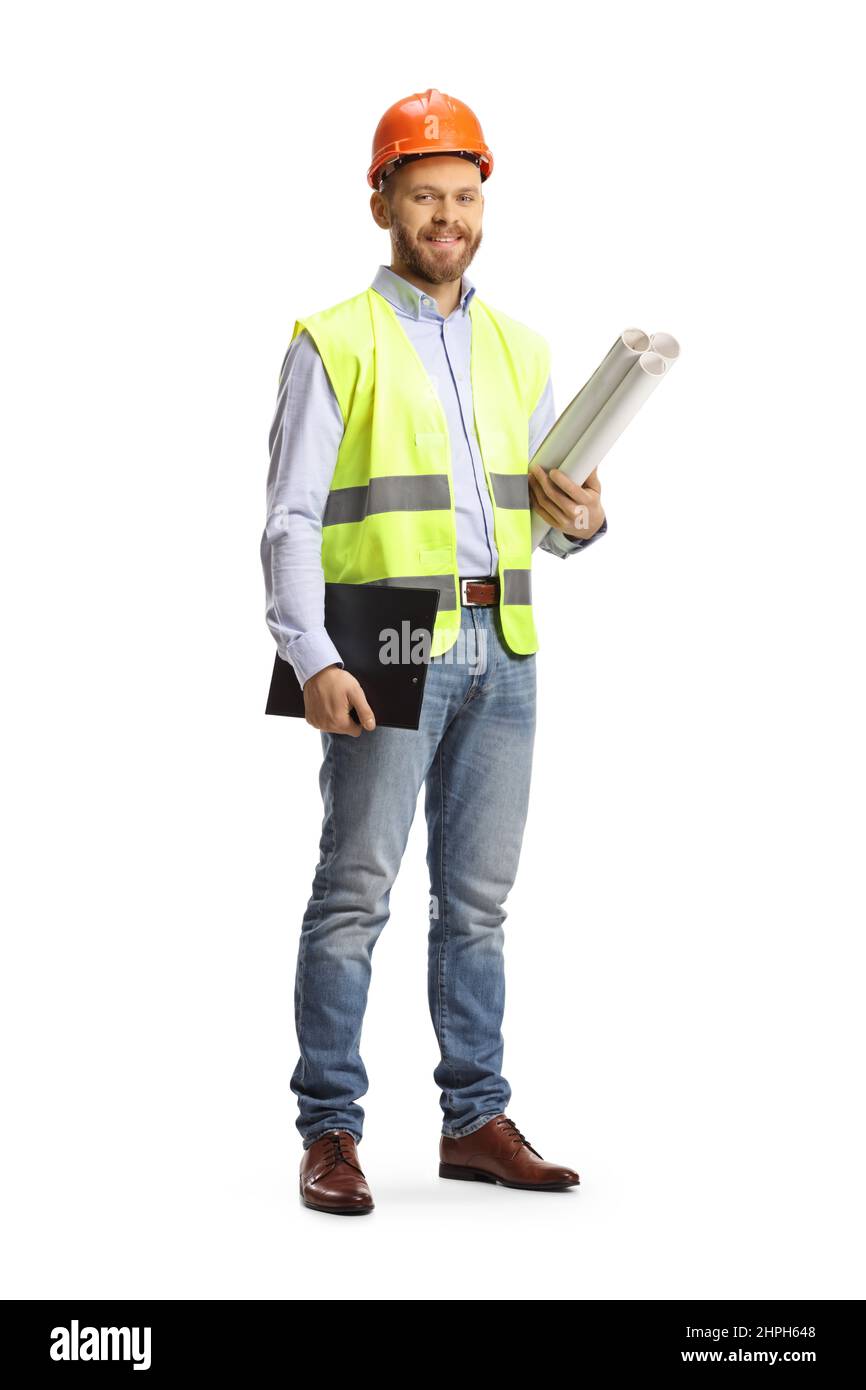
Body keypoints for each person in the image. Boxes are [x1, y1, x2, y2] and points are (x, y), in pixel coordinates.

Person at [261, 88, 607, 1215]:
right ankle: (331, 1129)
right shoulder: (333, 339)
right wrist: (311, 651)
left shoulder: (521, 347)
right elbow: (291, 517)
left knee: (477, 902)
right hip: (386, 639)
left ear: (479, 206)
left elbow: (548, 522)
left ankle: (474, 1119)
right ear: (382, 204)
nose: (445, 215)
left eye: (461, 196)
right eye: (423, 196)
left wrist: (583, 519)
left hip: (502, 641)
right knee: (354, 891)